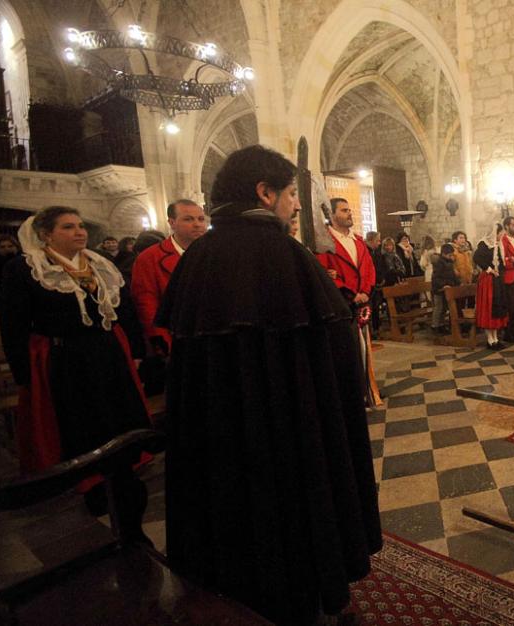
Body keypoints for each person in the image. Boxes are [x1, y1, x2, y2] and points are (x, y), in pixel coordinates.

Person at [155, 145, 381, 624]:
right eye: (292, 195)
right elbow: (330, 362)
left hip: (220, 442)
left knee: (231, 505)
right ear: (265, 192)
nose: (297, 205)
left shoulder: (198, 259)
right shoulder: (285, 256)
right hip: (290, 439)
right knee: (290, 517)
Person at [0, 206, 151, 538]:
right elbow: (14, 326)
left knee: (117, 417)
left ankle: (120, 471)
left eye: (81, 226)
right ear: (45, 234)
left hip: (107, 354)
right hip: (65, 359)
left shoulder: (99, 264)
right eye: (68, 227)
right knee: (81, 422)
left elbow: (124, 310)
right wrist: (25, 375)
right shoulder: (25, 269)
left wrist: (136, 351)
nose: (80, 232)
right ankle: (90, 479)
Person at [131, 199, 208, 358]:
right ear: (172, 222)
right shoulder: (150, 257)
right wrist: (163, 344)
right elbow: (147, 304)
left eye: (201, 219)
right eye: (188, 219)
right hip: (176, 338)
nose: (197, 224)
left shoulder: (215, 253)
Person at [318, 198, 376, 311]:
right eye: (344, 211)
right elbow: (324, 274)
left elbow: (370, 269)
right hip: (341, 305)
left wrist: (365, 292)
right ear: (331, 214)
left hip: (364, 302)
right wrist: (351, 296)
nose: (349, 213)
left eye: (349, 210)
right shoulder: (324, 242)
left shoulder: (359, 241)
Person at [474, 223, 509, 349]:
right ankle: (490, 339)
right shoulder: (484, 244)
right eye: (500, 233)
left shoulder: (497, 245)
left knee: (497, 307)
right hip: (488, 280)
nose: (501, 235)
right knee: (489, 308)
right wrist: (489, 269)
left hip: (497, 280)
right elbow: (476, 257)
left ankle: (495, 338)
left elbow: (500, 262)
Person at [431, 243, 458, 333]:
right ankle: (435, 325)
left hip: (447, 289)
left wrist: (458, 283)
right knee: (439, 307)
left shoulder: (449, 262)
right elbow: (436, 277)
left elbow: (452, 275)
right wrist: (443, 285)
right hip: (439, 289)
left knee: (444, 308)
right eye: (450, 255)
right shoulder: (439, 263)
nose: (451, 256)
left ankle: (441, 324)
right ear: (443, 254)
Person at [365, 231, 383, 337]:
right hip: (369, 285)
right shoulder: (366, 252)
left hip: (375, 284)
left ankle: (375, 329)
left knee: (375, 307)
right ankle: (371, 331)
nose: (379, 243)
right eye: (377, 240)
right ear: (371, 240)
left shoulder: (374, 252)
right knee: (370, 309)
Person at [0, 234, 21, 309]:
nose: (6, 249)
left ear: (16, 247)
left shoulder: (23, 263)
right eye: (2, 247)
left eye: (10, 246)